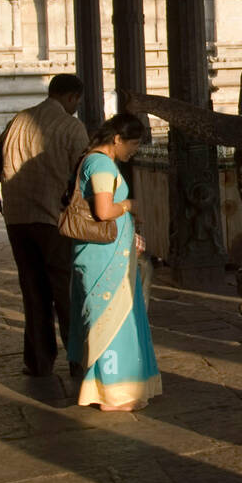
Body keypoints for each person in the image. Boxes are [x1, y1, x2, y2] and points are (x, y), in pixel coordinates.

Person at [68, 113, 162, 411]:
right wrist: (130, 205)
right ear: (117, 139)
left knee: (118, 320)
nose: (133, 150)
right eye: (132, 143)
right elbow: (105, 211)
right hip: (104, 259)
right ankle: (113, 393)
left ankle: (118, 389)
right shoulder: (101, 163)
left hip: (111, 255)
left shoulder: (98, 161)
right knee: (112, 322)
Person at [0, 74, 89, 377]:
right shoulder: (71, 126)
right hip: (54, 218)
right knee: (66, 292)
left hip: (17, 218)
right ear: (71, 97)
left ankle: (38, 361)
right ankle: (78, 359)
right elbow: (84, 174)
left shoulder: (19, 121)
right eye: (77, 101)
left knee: (33, 290)